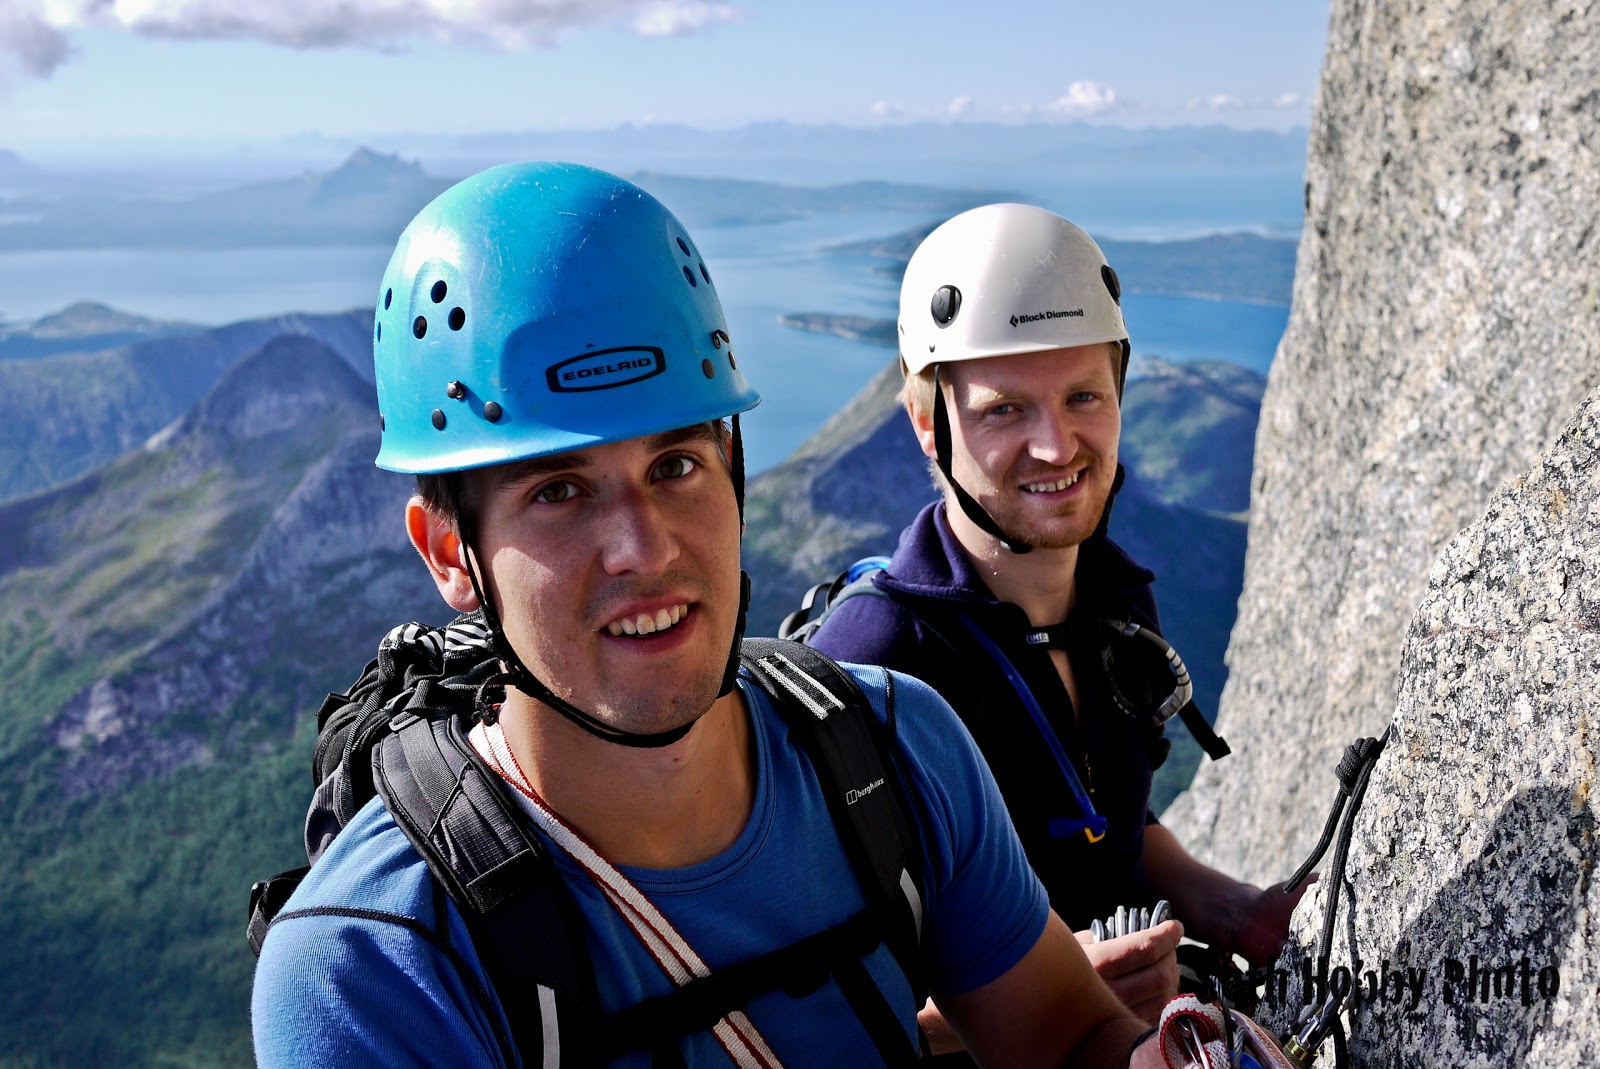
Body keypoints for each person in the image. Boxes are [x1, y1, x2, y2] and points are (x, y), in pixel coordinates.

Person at [250, 163, 1170, 1068]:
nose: (644, 549)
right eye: (561, 490)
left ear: (734, 470)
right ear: (451, 552)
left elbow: (1075, 1037)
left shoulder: (899, 749)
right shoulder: (373, 964)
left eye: (675, 466)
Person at [807, 203, 1307, 1045]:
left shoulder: (1117, 605)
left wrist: (1242, 912)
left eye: (1084, 396)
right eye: (1006, 409)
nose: (1056, 445)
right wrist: (1041, 995)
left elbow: (1115, 828)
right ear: (929, 425)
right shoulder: (873, 667)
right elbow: (812, 1011)